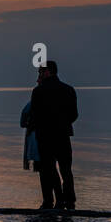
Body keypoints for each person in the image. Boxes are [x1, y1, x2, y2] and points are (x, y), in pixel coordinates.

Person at [28, 60, 78, 210]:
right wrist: (62, 123)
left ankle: (50, 201)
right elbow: (74, 115)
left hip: (45, 137)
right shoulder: (69, 90)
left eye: (40, 72)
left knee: (48, 170)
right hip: (63, 135)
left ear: (47, 72)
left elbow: (34, 115)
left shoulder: (38, 91)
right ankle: (69, 201)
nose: (39, 75)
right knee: (66, 169)